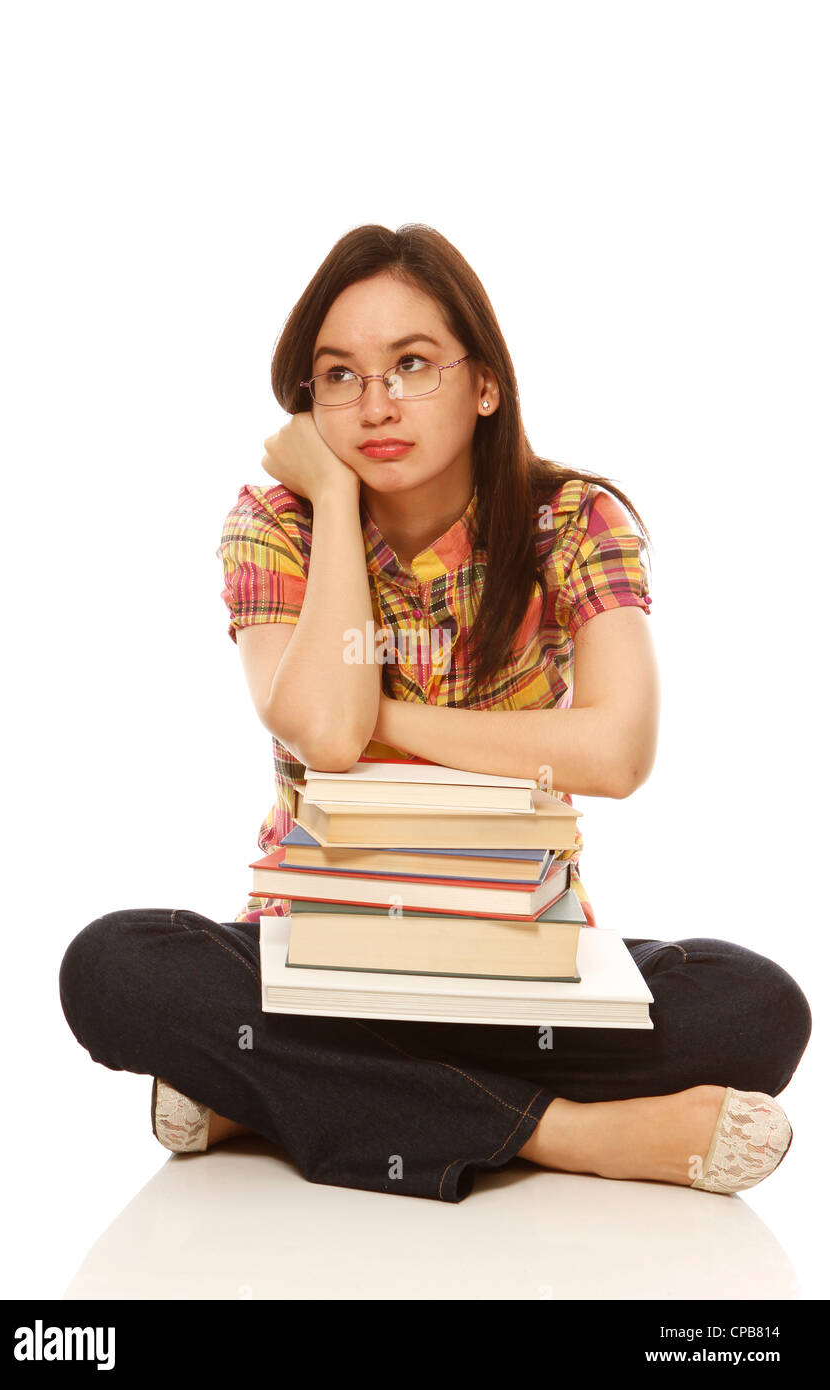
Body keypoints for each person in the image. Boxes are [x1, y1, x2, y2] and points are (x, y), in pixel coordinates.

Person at [59, 223, 811, 1203]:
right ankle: (563, 1132)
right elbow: (325, 737)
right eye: (338, 375)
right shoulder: (274, 521)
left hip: (515, 967)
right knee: (116, 968)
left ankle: (270, 1097)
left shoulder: (572, 520)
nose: (375, 404)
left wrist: (389, 718)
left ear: (484, 383)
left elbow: (617, 751)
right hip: (317, 962)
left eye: (410, 365)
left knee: (753, 1011)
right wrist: (330, 496)